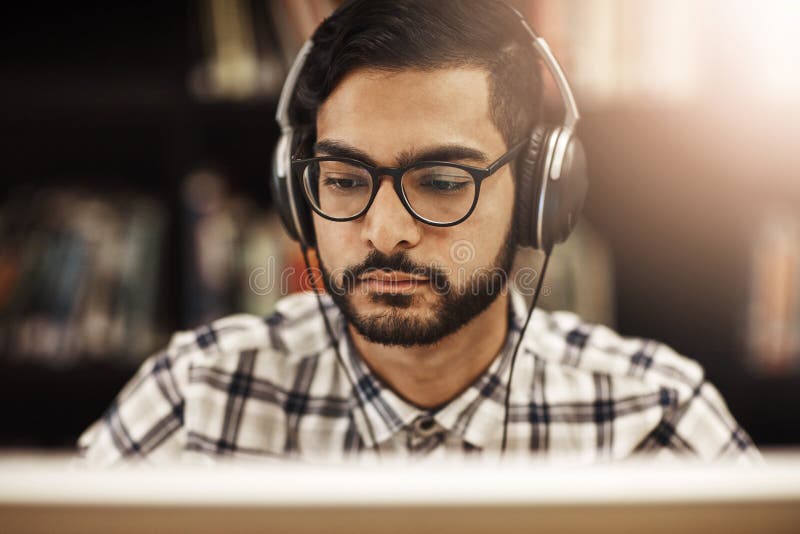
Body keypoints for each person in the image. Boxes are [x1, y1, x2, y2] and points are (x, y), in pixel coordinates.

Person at [78, 0, 758, 464]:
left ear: (538, 193)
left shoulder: (657, 416)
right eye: (344, 180)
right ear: (296, 190)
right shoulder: (196, 395)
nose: (385, 232)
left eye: (439, 181)